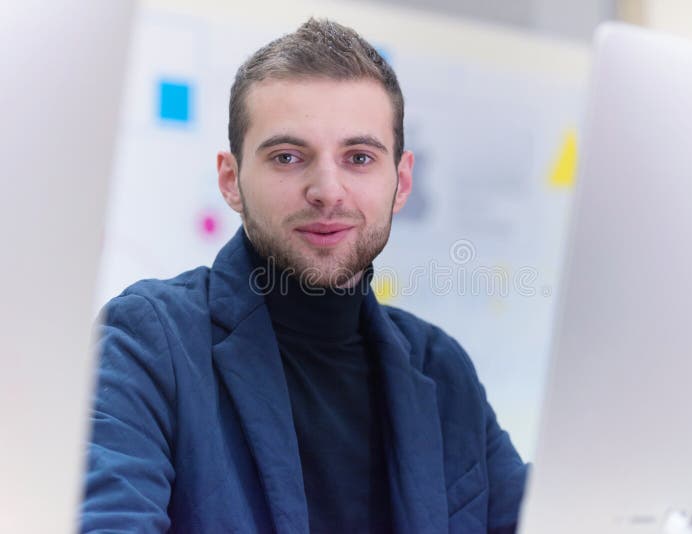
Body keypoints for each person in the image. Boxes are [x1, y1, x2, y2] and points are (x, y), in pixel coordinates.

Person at [81, 18, 527, 534]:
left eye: (359, 158)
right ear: (231, 180)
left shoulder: (442, 369)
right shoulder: (146, 343)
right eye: (288, 157)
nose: (328, 191)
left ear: (401, 182)